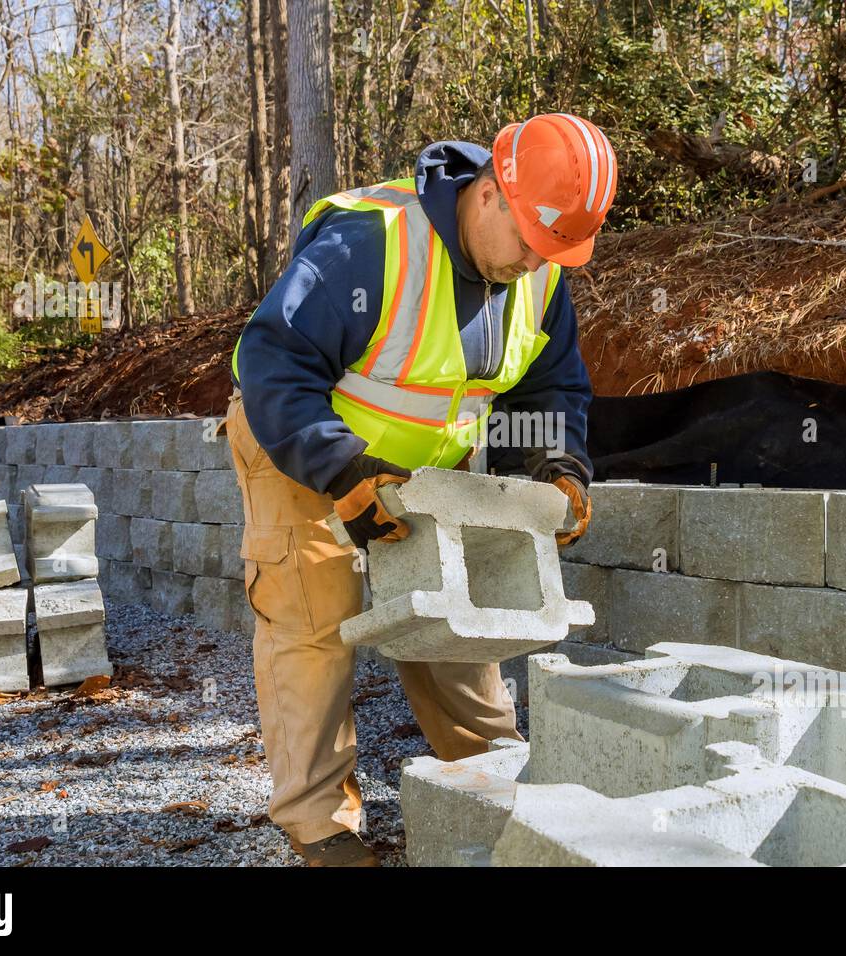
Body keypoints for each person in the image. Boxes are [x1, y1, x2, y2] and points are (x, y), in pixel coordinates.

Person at [226, 113, 618, 866]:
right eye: (532, 244)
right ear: (491, 194)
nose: (538, 265)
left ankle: (492, 782)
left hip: (429, 466)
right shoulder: (370, 246)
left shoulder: (539, 275)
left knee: (459, 625)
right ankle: (320, 829)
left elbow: (551, 389)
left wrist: (557, 466)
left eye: (553, 253)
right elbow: (272, 363)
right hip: (303, 444)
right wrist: (342, 471)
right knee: (317, 617)